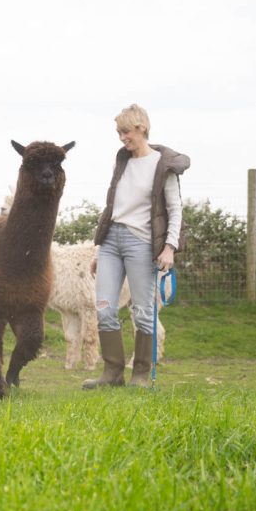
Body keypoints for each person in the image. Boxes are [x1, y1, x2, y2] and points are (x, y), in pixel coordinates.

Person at [83, 104, 190, 389]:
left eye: (125, 131)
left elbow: (175, 210)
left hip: (140, 244)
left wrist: (169, 248)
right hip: (111, 241)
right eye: (118, 132)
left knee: (143, 310)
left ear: (141, 128)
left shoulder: (163, 165)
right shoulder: (123, 161)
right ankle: (112, 373)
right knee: (104, 307)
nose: (121, 138)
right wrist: (99, 250)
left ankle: (141, 374)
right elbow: (112, 206)